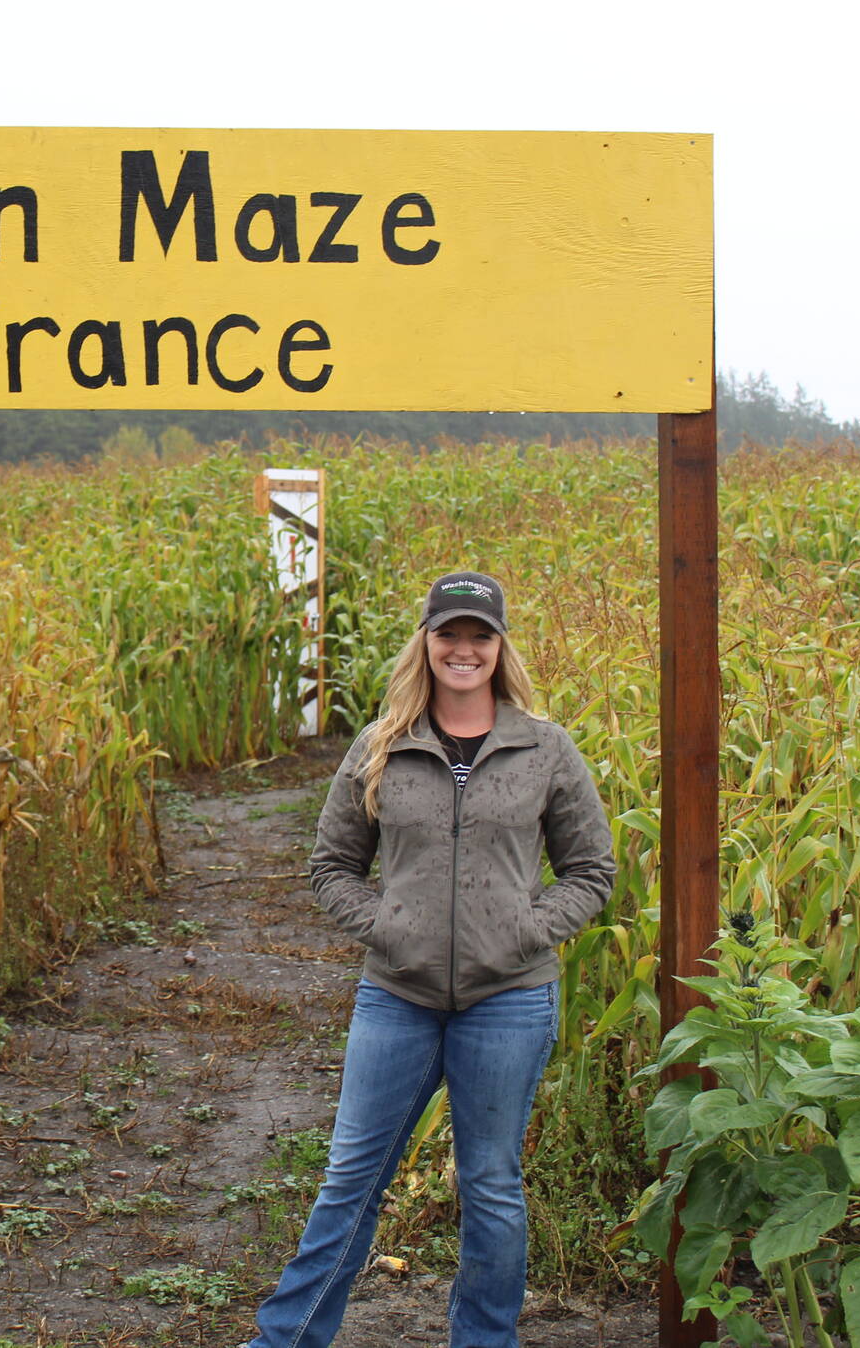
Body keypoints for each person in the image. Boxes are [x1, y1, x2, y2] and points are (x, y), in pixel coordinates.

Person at [243, 571, 616, 1348]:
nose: (465, 648)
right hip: (398, 994)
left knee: (491, 1186)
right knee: (352, 1179)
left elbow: (591, 870)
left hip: (509, 997)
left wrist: (525, 929)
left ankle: (484, 1342)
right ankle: (286, 1341)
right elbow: (331, 866)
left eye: (481, 634)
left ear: (500, 645)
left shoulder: (544, 747)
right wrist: (389, 927)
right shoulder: (382, 744)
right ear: (427, 641)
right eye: (450, 633)